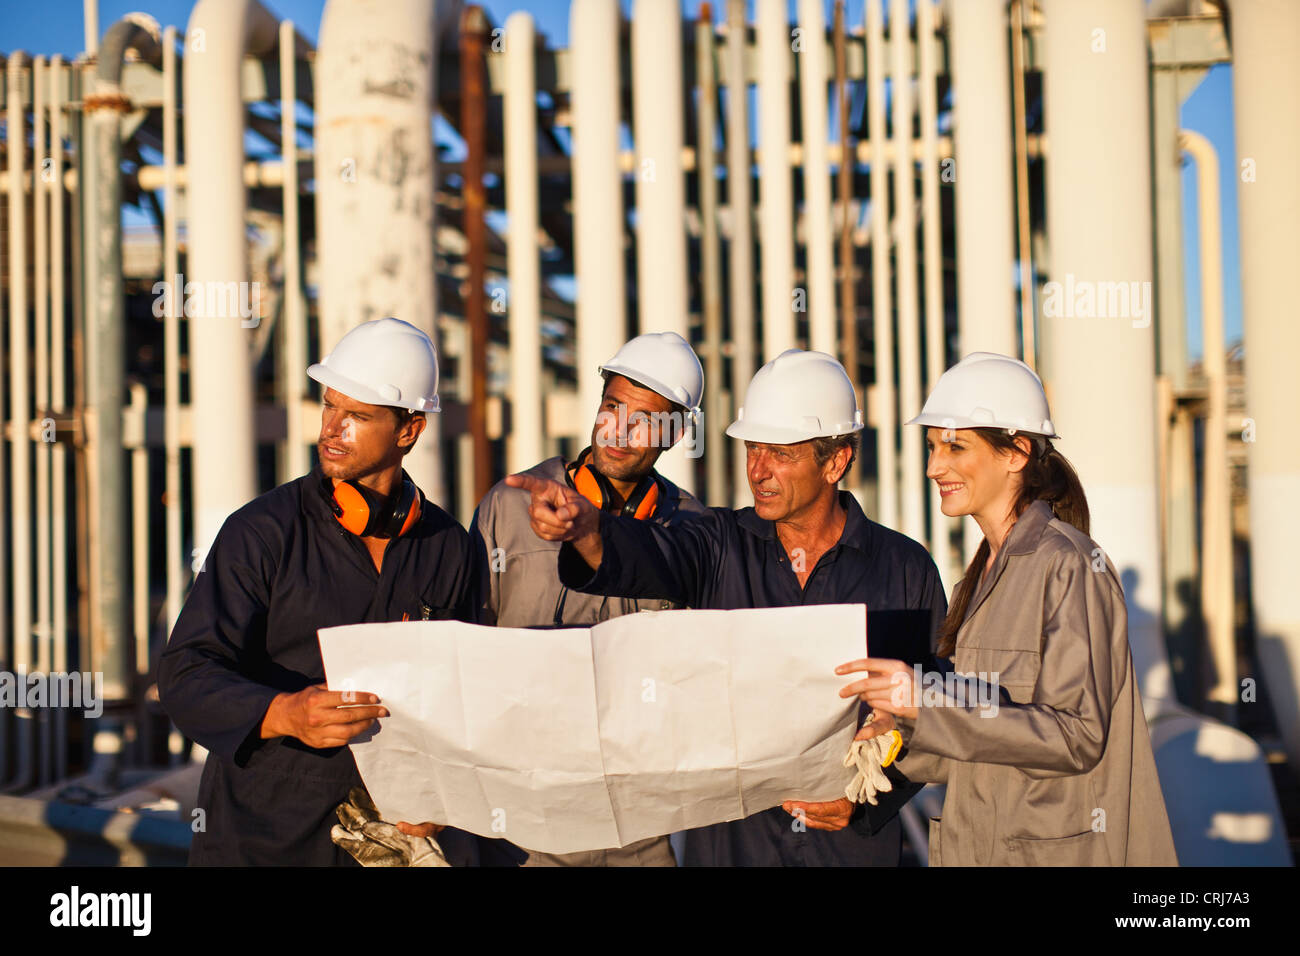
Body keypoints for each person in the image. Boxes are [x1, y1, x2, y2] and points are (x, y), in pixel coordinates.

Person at [508, 349, 947, 866]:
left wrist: (871, 798)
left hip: (847, 851)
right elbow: (650, 552)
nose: (757, 470)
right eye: (752, 449)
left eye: (780, 453)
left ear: (836, 461)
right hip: (733, 848)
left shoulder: (904, 569)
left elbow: (938, 713)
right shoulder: (718, 544)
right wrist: (589, 529)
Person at [158, 317, 478, 866]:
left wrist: (441, 798)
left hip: (386, 843)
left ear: (409, 431)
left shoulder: (449, 546)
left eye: (357, 415)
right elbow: (187, 673)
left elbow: (466, 696)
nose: (332, 428)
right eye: (330, 405)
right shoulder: (260, 531)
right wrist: (282, 711)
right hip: (262, 840)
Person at [838, 352, 1179, 866]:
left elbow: (1076, 736)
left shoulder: (1070, 567)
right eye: (932, 448)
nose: (935, 467)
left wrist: (924, 701)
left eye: (954, 446)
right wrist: (898, 732)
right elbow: (981, 737)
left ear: (1016, 453)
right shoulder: (978, 580)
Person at [472, 331, 708, 866]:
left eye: (644, 418)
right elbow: (466, 644)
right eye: (611, 407)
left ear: (675, 434)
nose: (619, 431)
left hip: (643, 823)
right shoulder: (509, 506)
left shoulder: (694, 529)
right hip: (528, 816)